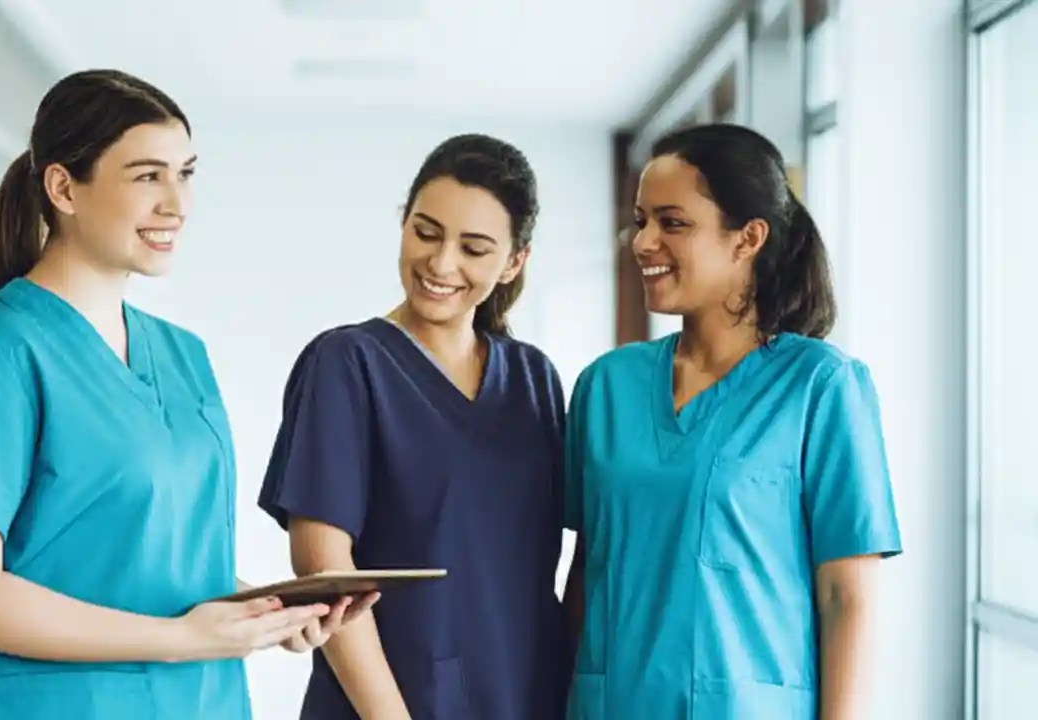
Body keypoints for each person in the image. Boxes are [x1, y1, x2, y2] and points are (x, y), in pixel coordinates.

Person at [0, 69, 373, 720]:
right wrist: (180, 639)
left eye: (185, 174)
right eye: (148, 176)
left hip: (201, 701)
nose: (177, 204)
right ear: (63, 187)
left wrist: (258, 612)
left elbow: (153, 566)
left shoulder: (184, 356)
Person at [562, 123, 903, 720]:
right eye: (640, 220)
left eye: (672, 223)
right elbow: (585, 576)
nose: (643, 242)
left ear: (747, 238)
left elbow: (846, 597)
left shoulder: (820, 387)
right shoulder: (605, 387)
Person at [257, 134, 570, 720]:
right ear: (403, 222)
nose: (441, 263)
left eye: (474, 248)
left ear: (514, 262)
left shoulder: (534, 380)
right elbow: (324, 563)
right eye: (426, 232)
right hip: (384, 705)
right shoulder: (347, 363)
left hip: (524, 696)